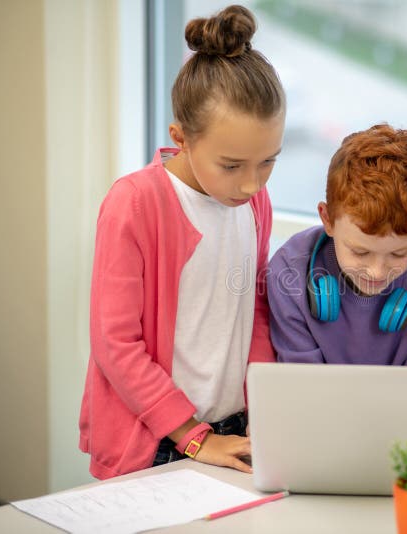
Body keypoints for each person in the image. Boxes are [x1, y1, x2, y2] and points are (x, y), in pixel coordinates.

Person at [79, 5, 285, 479]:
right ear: (182, 138)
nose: (253, 184)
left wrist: (264, 408)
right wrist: (192, 434)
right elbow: (116, 345)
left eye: (268, 161)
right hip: (158, 438)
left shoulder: (254, 203)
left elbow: (254, 311)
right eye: (232, 165)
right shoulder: (135, 204)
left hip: (232, 428)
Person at [267, 124, 407, 365]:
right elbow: (304, 387)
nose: (377, 271)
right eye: (360, 251)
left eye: (399, 253)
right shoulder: (288, 271)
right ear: (328, 219)